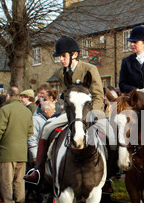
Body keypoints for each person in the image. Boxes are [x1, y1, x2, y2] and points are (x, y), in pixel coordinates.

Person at [24, 36, 117, 193]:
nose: (60, 59)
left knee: (111, 134)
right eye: (59, 56)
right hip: (71, 114)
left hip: (91, 111)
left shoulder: (90, 69)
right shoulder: (61, 73)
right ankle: (38, 169)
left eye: (63, 55)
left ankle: (108, 176)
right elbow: (65, 96)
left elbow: (97, 95)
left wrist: (91, 115)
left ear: (74, 54)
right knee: (46, 128)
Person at [0, 86, 33, 203]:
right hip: (22, 151)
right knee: (19, 180)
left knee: (5, 180)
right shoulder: (27, 111)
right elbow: (30, 132)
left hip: (6, 151)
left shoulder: (5, 109)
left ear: (8, 96)